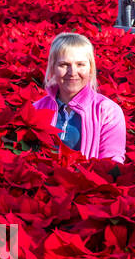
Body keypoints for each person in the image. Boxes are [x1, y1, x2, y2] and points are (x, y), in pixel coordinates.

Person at [32, 32, 126, 164]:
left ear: (91, 68)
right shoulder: (36, 109)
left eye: (80, 64)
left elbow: (112, 162)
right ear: (53, 68)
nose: (72, 72)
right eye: (64, 65)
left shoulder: (108, 111)